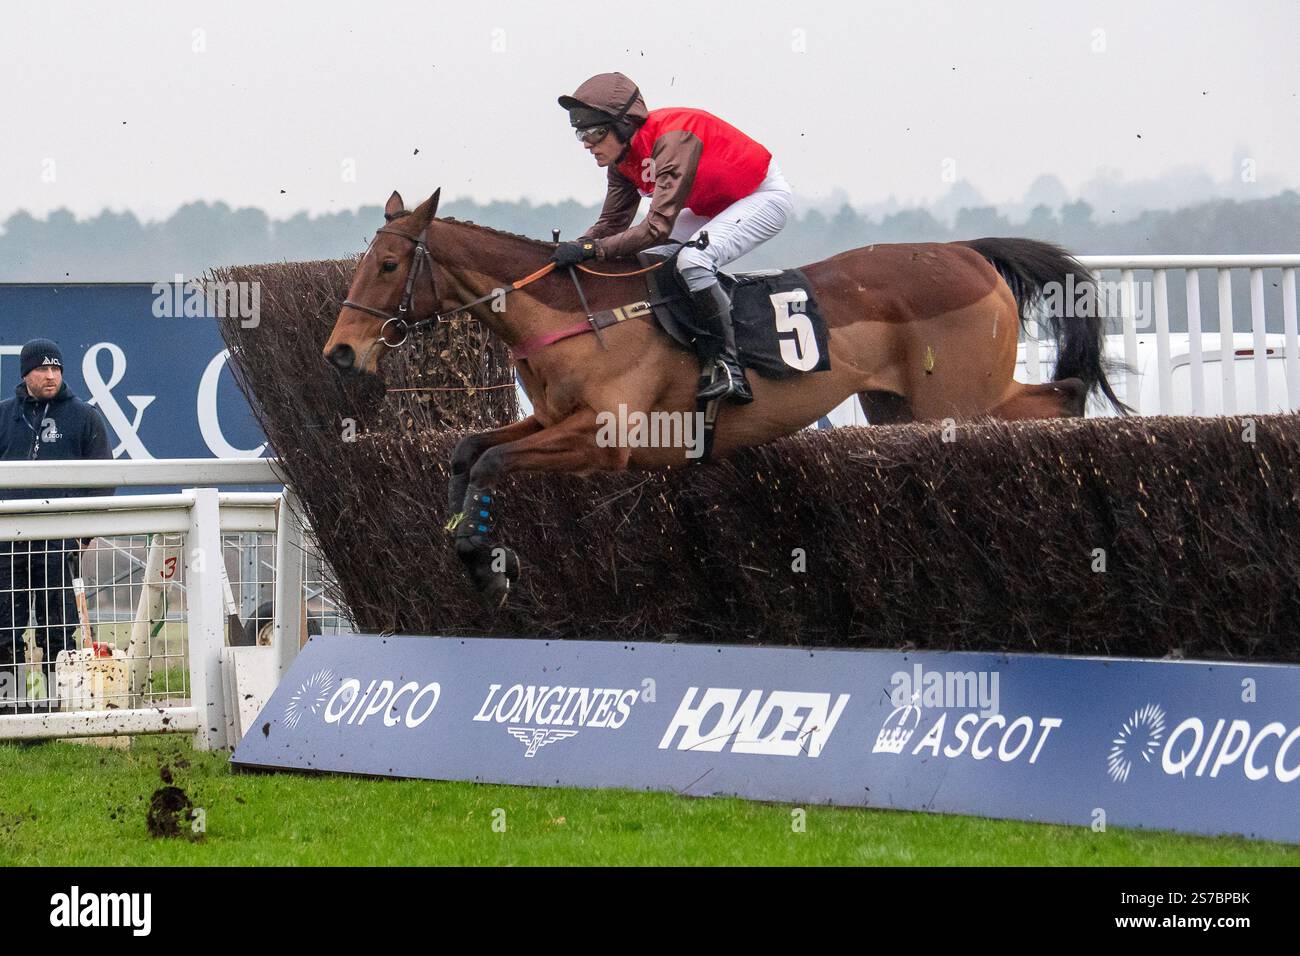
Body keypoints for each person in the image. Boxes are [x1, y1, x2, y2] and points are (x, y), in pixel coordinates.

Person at [552, 72, 794, 405]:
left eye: (595, 132)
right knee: (645, 260)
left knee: (693, 261)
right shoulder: (621, 162)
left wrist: (594, 249)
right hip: (711, 207)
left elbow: (656, 228)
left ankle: (730, 367)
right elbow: (611, 223)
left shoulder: (672, 140)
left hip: (759, 195)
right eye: (581, 133)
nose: (586, 143)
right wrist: (577, 247)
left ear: (624, 125)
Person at [0, 339, 114, 713]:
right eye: (41, 369)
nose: (50, 376)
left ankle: (56, 702)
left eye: (56, 368)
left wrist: (84, 533)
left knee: (58, 627)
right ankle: (11, 704)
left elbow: (103, 480)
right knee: (5, 626)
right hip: (7, 542)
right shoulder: (4, 416)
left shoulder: (84, 417)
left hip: (58, 541)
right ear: (25, 374)